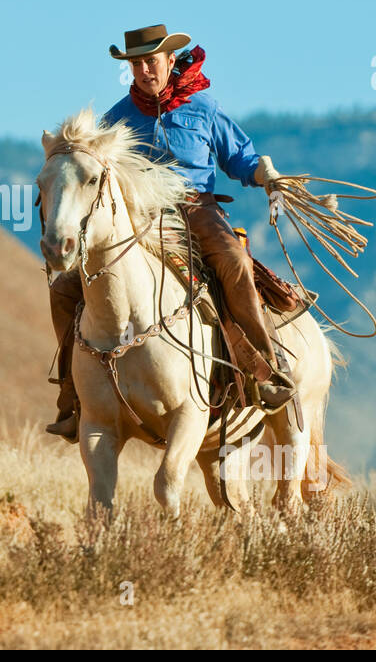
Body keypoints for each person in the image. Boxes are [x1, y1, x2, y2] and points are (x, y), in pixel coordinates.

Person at [46, 23, 293, 443]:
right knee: (65, 288)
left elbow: (239, 158)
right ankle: (73, 396)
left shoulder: (202, 108)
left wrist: (263, 172)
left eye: (151, 61)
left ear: (170, 60)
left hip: (197, 209)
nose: (144, 70)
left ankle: (264, 371)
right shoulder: (116, 120)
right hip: (139, 216)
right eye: (136, 64)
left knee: (234, 262)